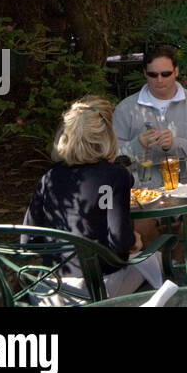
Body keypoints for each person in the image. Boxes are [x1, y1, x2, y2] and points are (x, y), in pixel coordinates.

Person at [25, 96, 165, 298]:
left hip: (47, 290)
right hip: (93, 291)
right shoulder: (114, 175)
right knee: (157, 259)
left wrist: (65, 249)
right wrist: (134, 239)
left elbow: (28, 239)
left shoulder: (50, 176)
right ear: (107, 136)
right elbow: (120, 243)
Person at [113, 44, 187, 160]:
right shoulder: (126, 108)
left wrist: (174, 144)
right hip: (141, 177)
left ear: (176, 71)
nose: (159, 80)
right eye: (153, 74)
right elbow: (112, 153)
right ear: (145, 73)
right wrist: (138, 144)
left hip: (186, 177)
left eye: (165, 74)